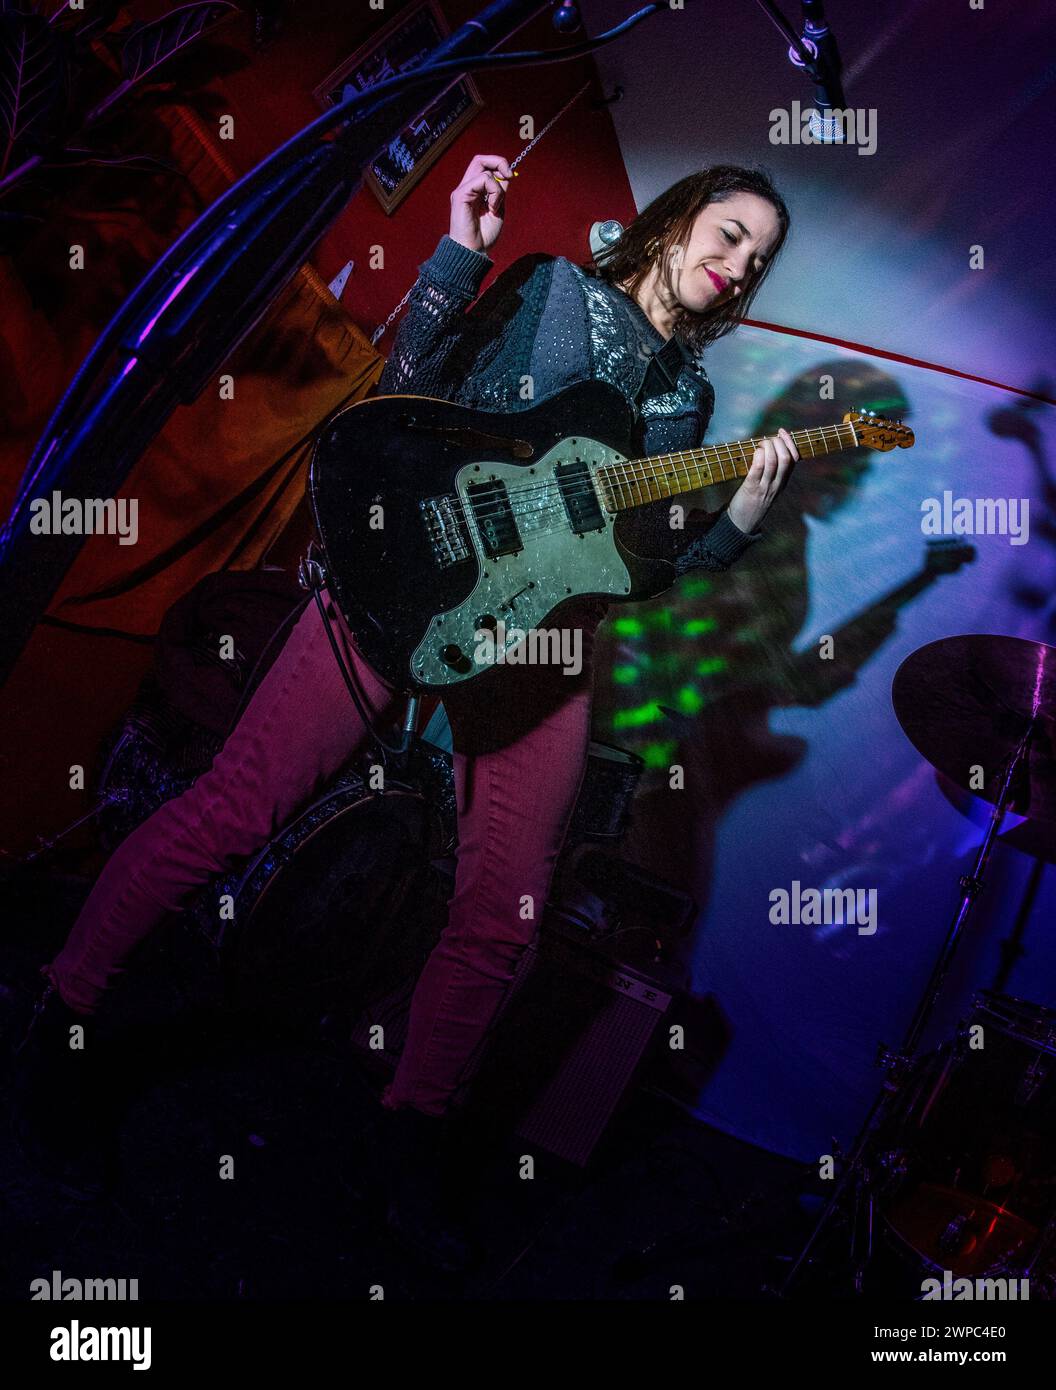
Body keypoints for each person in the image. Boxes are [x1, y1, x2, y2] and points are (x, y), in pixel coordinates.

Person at [16, 153, 799, 1269]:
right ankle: (62, 1029)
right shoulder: (547, 289)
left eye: (757, 260)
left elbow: (642, 568)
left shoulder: (688, 399)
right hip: (410, 576)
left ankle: (405, 1148)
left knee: (503, 912)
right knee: (236, 806)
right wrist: (459, 248)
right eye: (727, 234)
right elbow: (410, 375)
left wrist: (739, 517)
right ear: (676, 223)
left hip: (542, 634)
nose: (737, 265)